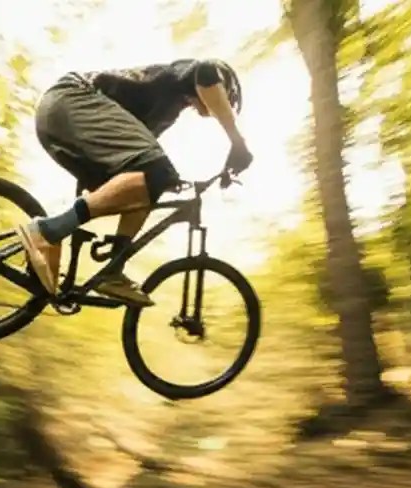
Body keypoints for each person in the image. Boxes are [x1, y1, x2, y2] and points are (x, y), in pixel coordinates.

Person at [16, 58, 253, 307]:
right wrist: (237, 141)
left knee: (145, 185)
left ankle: (112, 270)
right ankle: (48, 231)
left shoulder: (166, 112)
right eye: (225, 96)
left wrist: (165, 183)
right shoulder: (182, 75)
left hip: (60, 117)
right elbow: (205, 73)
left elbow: (139, 169)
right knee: (155, 172)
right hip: (72, 98)